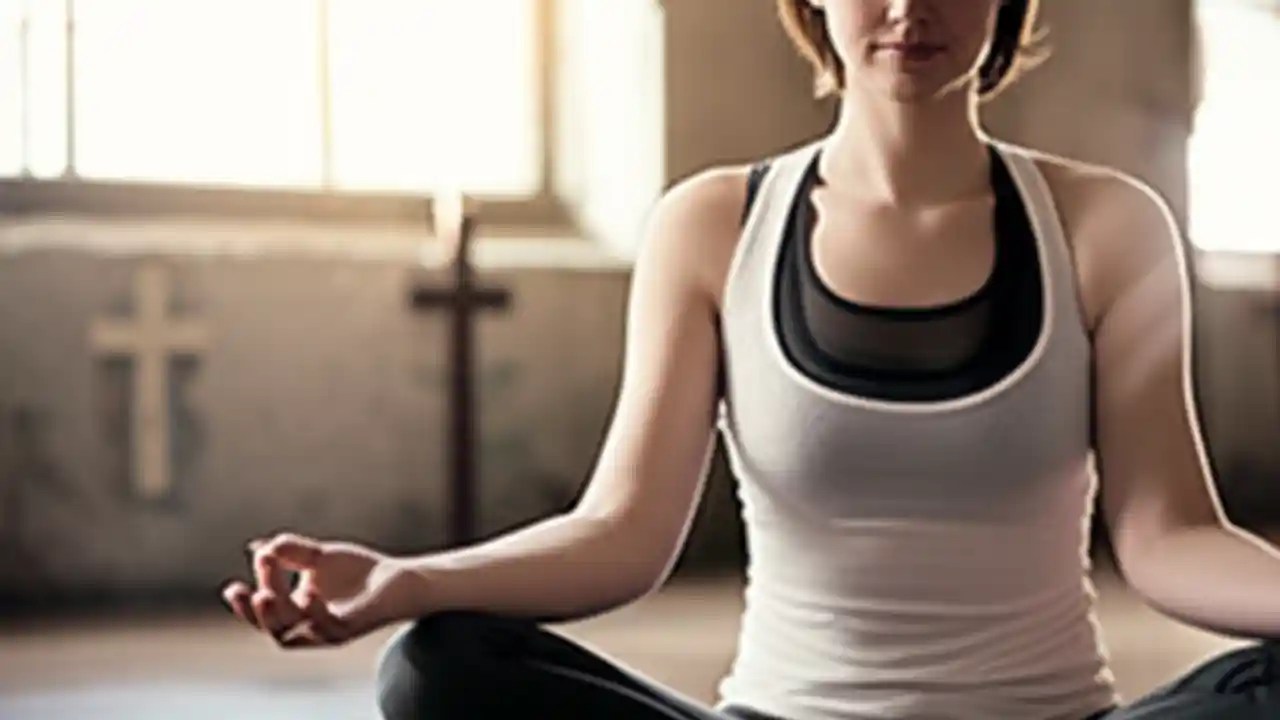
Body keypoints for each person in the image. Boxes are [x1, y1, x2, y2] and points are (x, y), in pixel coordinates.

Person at [221, 1, 1280, 718]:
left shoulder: (1106, 226)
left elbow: (1169, 535)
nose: (909, 5)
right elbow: (621, 532)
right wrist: (407, 580)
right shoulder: (714, 224)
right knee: (437, 668)